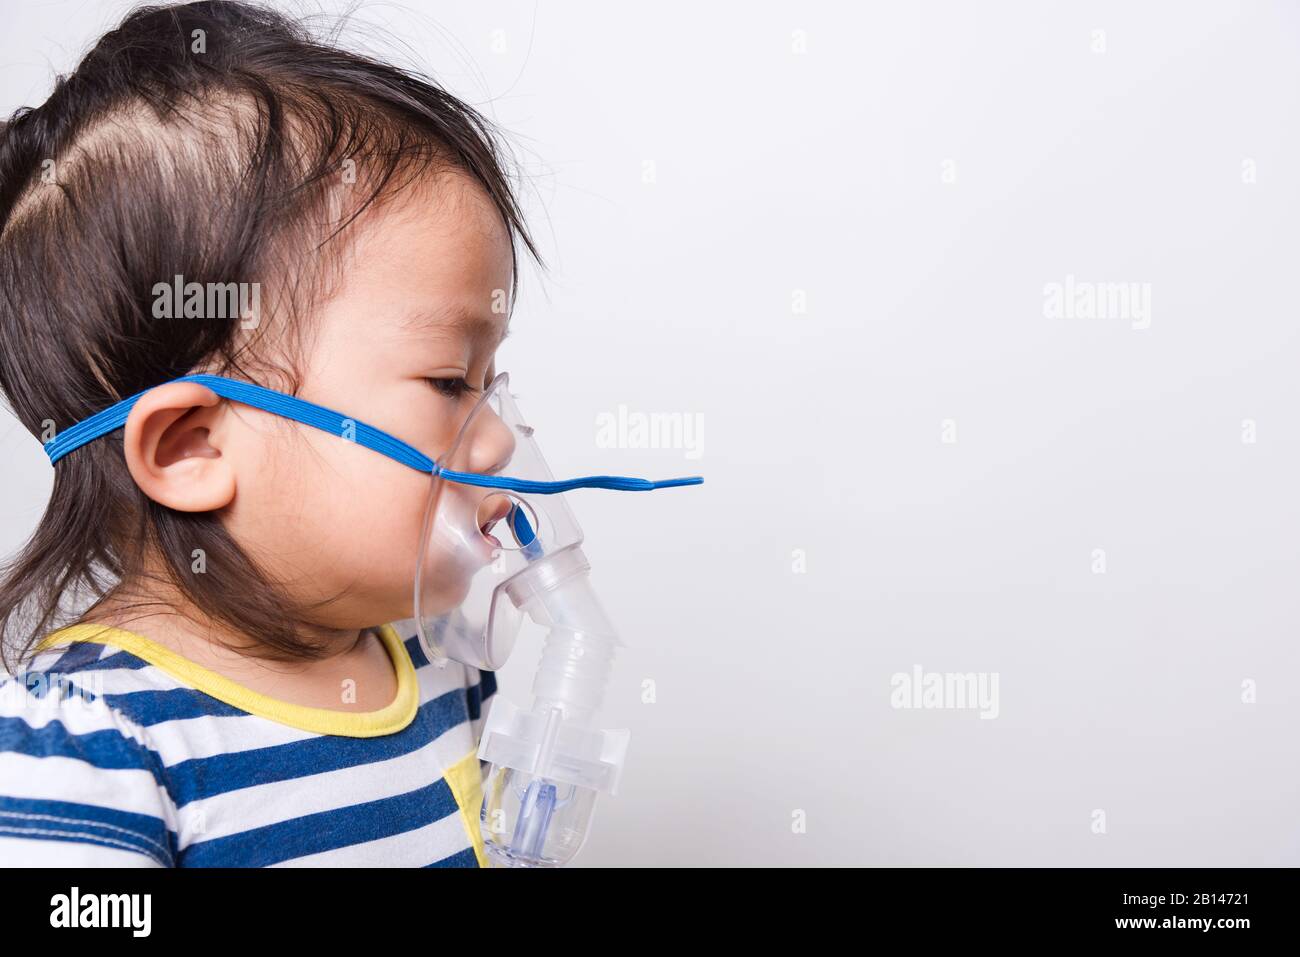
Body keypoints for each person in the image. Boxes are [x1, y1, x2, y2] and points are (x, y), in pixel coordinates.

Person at [0, 0, 543, 866]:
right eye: (449, 382)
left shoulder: (445, 671)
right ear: (194, 446)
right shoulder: (85, 763)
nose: (500, 438)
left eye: (488, 383)